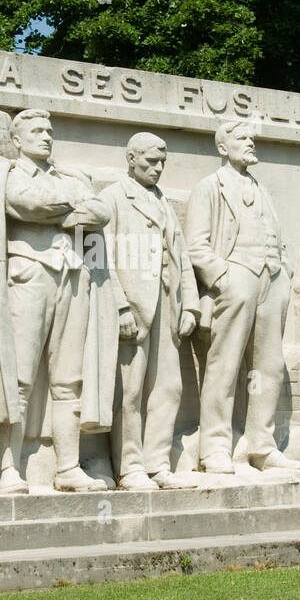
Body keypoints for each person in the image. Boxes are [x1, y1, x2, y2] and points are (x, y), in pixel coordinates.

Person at [0, 109, 118, 492]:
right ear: (17, 139)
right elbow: (26, 204)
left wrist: (67, 207)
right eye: (37, 131)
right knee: (19, 376)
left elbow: (101, 211)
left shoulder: (67, 177)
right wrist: (72, 208)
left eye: (50, 131)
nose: (46, 137)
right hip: (27, 276)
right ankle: (9, 468)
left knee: (68, 380)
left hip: (71, 278)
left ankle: (68, 467)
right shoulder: (8, 176)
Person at [185, 120, 300, 475]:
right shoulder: (209, 187)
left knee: (268, 368)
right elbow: (196, 244)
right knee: (223, 366)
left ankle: (262, 446)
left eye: (252, 137)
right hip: (236, 279)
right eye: (242, 138)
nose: (250, 142)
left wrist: (282, 269)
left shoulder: (262, 188)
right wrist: (223, 276)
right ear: (224, 147)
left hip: (272, 282)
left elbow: (276, 235)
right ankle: (216, 448)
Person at [100, 133, 201, 489]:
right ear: (131, 158)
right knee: (129, 391)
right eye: (150, 162)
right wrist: (119, 305)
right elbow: (96, 256)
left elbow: (182, 256)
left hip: (167, 305)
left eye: (162, 163)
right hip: (133, 307)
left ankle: (157, 463)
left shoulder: (163, 202)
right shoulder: (112, 197)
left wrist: (190, 302)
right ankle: (129, 467)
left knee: (168, 387)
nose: (157, 169)